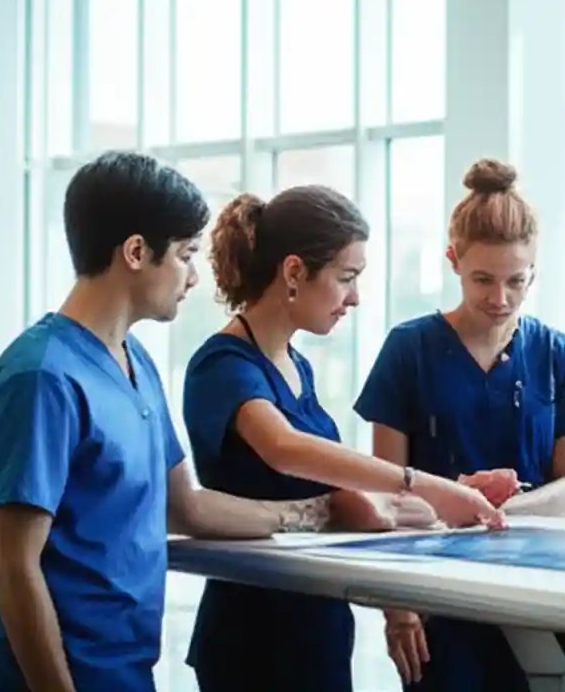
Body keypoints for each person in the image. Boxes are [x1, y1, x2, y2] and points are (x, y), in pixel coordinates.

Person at [0, 152, 427, 692]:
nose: (193, 276)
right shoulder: (42, 376)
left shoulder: (136, 364)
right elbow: (13, 566)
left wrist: (320, 512)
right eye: (185, 255)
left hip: (125, 669)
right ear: (136, 252)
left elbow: (185, 506)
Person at [180, 184, 507, 692]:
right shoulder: (222, 366)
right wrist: (420, 484)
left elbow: (341, 500)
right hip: (253, 641)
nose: (354, 297)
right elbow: (285, 450)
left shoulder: (298, 367)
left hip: (318, 631)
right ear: (294, 272)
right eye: (347, 277)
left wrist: (441, 499)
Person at [354, 158, 565, 691]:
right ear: (453, 260)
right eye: (483, 280)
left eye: (517, 281)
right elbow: (386, 491)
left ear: (534, 269)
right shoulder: (409, 350)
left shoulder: (560, 356)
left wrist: (489, 512)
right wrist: (397, 607)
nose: (500, 299)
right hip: (436, 596)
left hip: (539, 587)